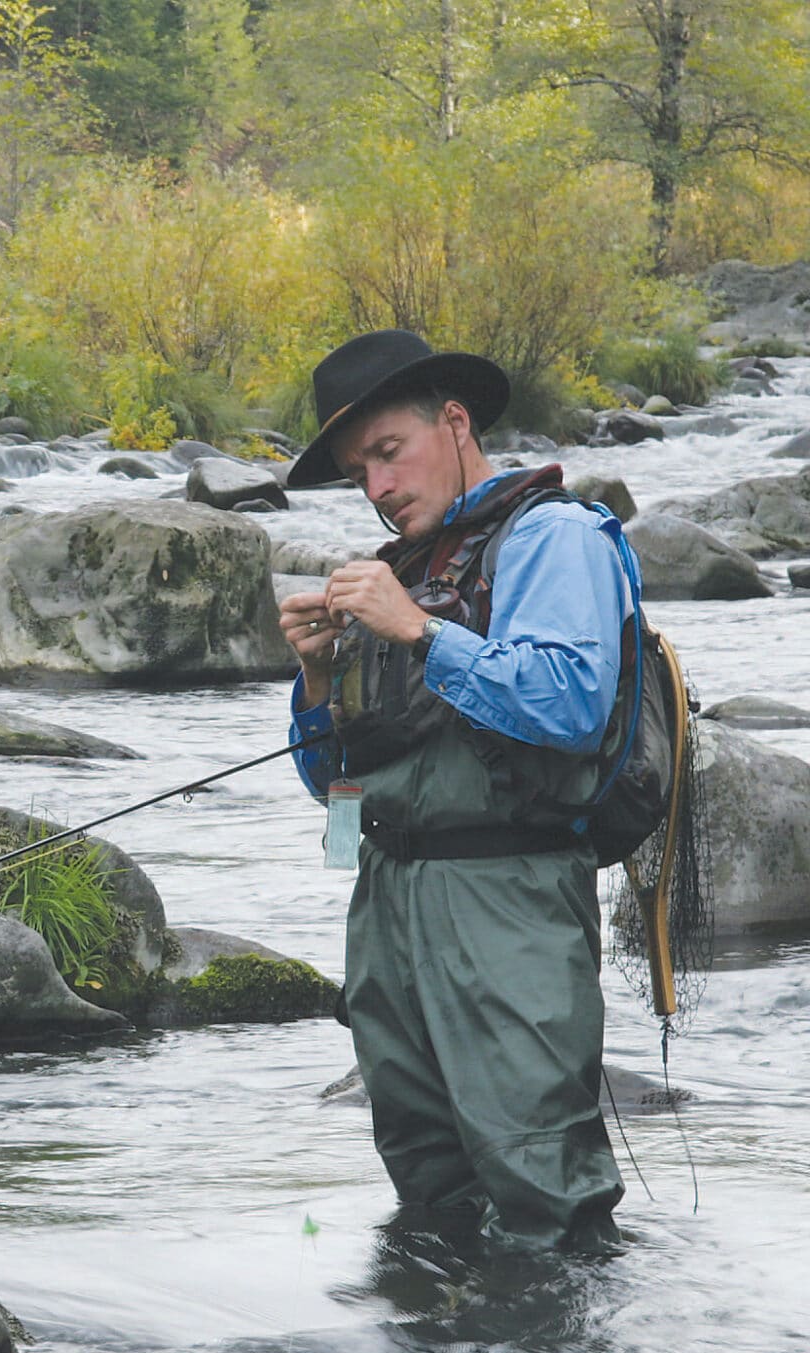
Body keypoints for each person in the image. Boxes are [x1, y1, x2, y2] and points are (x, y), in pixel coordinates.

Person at [278, 329, 628, 1250]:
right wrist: (317, 682)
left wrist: (423, 635)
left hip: (508, 900)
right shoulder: (391, 578)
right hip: (385, 906)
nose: (378, 489)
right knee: (428, 1189)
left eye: (388, 453)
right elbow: (335, 789)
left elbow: (571, 704)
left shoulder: (554, 538)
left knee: (543, 1194)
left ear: (456, 422)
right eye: (360, 474)